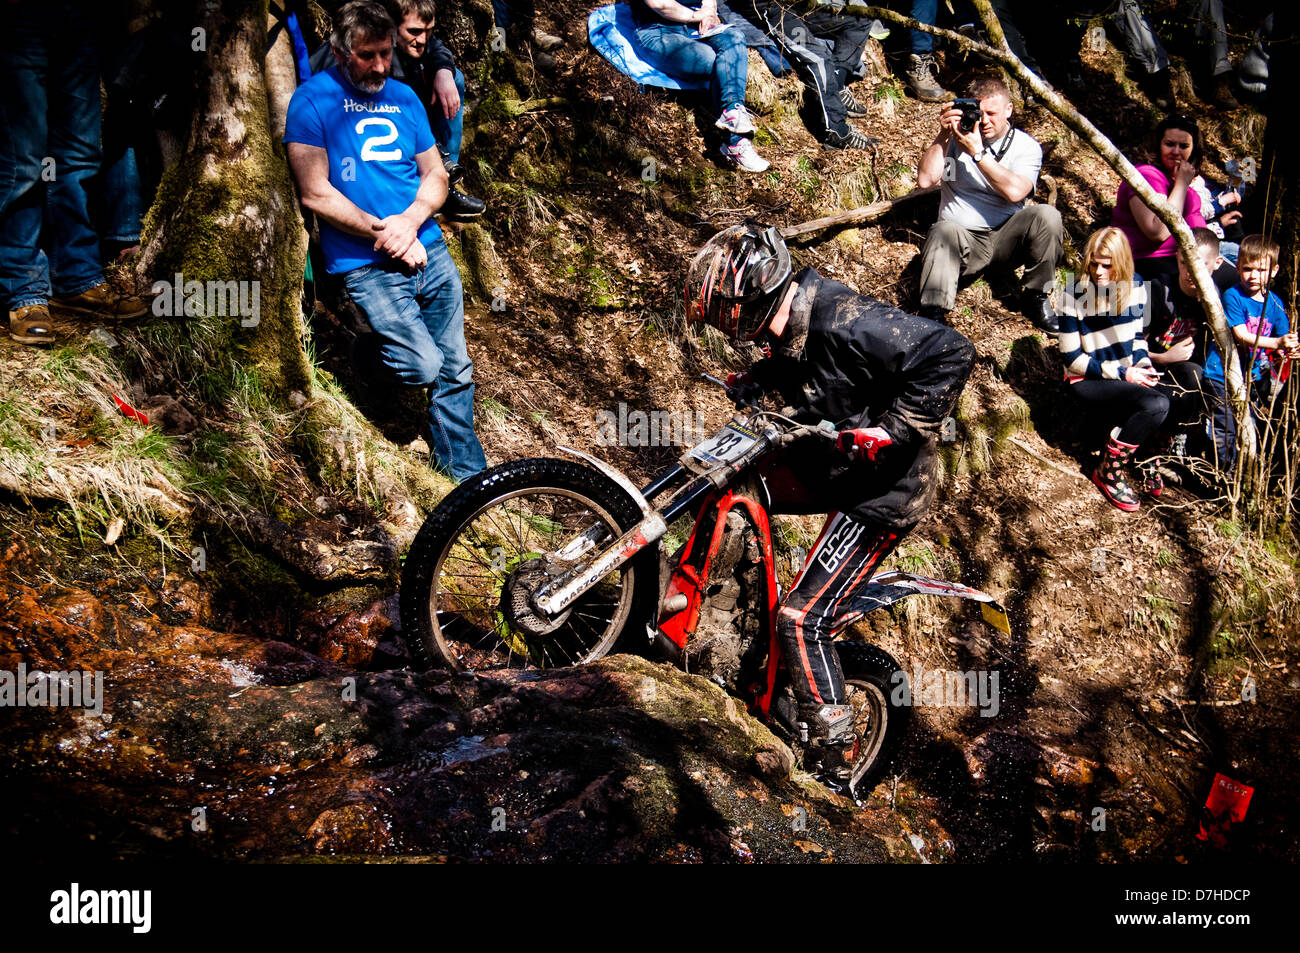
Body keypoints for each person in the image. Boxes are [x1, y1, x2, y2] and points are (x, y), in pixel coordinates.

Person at [685, 222, 975, 790]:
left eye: (723, 308)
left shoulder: (847, 320)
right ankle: (729, 628)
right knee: (729, 484)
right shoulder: (796, 316)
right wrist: (759, 378)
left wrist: (895, 429)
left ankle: (836, 756)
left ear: (751, 292)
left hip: (881, 493)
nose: (722, 321)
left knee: (800, 619)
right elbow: (820, 372)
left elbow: (951, 351)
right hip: (833, 464)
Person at [284, 1, 487, 481]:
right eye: (368, 55)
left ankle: (466, 477)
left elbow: (435, 174)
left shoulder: (403, 96)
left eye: (385, 53)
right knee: (421, 366)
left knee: (455, 366)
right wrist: (387, 233)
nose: (380, 66)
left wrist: (412, 219)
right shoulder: (311, 101)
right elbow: (314, 192)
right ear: (338, 50)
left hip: (428, 245)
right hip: (363, 262)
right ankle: (366, 358)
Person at [1, 1, 148, 346]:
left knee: (79, 154)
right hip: (17, 17)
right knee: (24, 161)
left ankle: (76, 277)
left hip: (81, 15)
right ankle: (24, 291)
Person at [915, 76, 1063, 332]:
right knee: (943, 230)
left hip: (1006, 240)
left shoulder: (1026, 146)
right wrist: (943, 135)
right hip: (962, 242)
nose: (984, 120)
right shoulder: (955, 140)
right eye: (978, 112)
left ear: (1009, 110)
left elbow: (1015, 193)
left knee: (1047, 216)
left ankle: (1035, 297)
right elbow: (926, 180)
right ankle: (933, 314)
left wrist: (978, 154)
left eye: (992, 113)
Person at [1056, 227, 1172, 509]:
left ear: (1121, 263)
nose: (1098, 271)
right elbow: (1072, 358)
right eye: (1094, 263)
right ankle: (1108, 472)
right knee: (1156, 403)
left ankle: (1145, 458)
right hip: (1087, 379)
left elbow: (1137, 339)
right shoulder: (1073, 294)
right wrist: (1123, 373)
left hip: (1125, 374)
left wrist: (1143, 364)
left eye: (1107, 265)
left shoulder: (1136, 286)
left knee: (1179, 394)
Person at [629, 0, 769, 172]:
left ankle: (733, 111)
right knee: (711, 61)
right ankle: (736, 142)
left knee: (735, 37)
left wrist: (709, 11)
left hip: (692, 27)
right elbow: (661, 5)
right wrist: (696, 16)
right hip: (658, 31)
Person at [1202, 234, 1298, 471]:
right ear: (1237, 267)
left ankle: (1243, 472)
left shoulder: (1274, 303)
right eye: (1247, 269)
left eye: (1261, 269)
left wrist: (1291, 348)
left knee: (1248, 426)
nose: (1253, 276)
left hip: (1251, 377)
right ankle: (1221, 473)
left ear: (1274, 271)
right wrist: (1277, 343)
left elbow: (1285, 336)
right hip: (1221, 374)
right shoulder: (1233, 296)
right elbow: (1241, 335)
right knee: (1225, 427)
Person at [383, 0, 485, 220]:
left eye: (428, 32)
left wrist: (444, 72)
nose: (421, 40)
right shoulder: (371, 52)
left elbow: (436, 47)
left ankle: (444, 183)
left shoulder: (418, 40)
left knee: (455, 77)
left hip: (415, 112)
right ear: (390, 26)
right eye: (414, 32)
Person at [1110, 114, 1237, 291]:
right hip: (1149, 260)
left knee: (1241, 281)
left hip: (1191, 259)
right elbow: (1158, 231)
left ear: (1193, 149)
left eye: (1184, 146)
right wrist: (1182, 184)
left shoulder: (1183, 185)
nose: (1176, 151)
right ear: (1158, 145)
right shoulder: (1147, 176)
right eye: (1169, 144)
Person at [729, 0, 878, 149]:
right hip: (776, 11)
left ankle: (837, 84)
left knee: (861, 17)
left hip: (801, 5)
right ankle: (837, 132)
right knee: (819, 61)